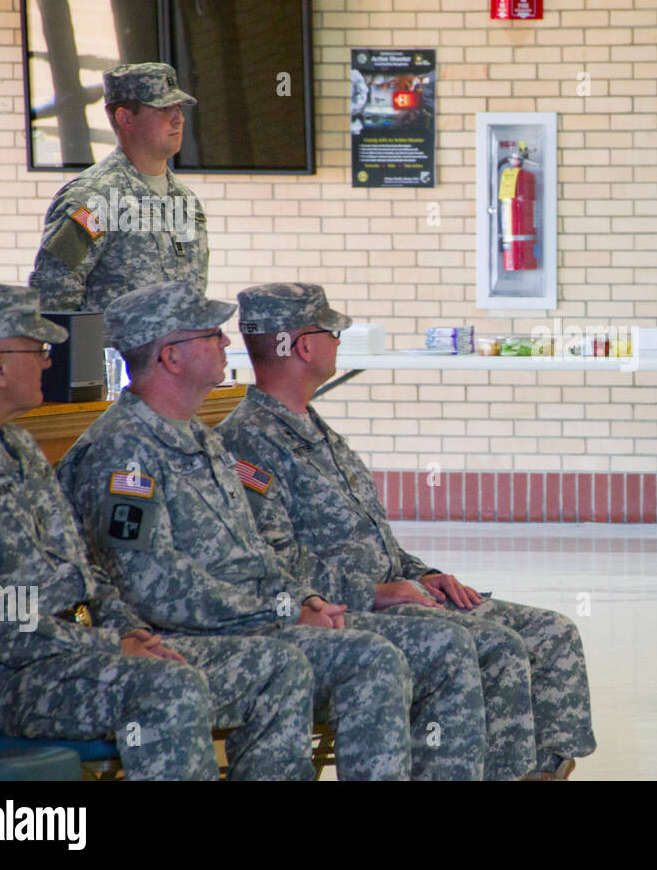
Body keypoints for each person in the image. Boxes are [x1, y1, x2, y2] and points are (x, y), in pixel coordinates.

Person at [56, 281, 487, 780]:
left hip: (247, 618)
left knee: (415, 642)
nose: (225, 343)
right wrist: (279, 610)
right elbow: (151, 583)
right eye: (211, 335)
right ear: (171, 357)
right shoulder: (122, 451)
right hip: (188, 633)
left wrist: (303, 600)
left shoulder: (199, 439)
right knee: (368, 657)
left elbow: (255, 556)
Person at [0, 280, 315, 780]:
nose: (49, 362)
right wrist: (107, 646)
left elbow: (86, 572)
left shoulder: (20, 448)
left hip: (73, 653)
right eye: (37, 349)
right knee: (167, 687)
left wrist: (127, 631)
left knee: (279, 668)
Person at [218, 283, 597, 780]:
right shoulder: (248, 442)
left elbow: (373, 539)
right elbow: (275, 566)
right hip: (339, 609)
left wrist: (426, 574)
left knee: (552, 633)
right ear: (303, 346)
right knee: (495, 645)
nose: (338, 341)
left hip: (397, 591)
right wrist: (376, 593)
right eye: (332, 331)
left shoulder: (312, 426)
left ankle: (539, 774)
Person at [29, 62, 209, 313]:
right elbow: (53, 293)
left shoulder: (185, 200)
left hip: (176, 352)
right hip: (114, 352)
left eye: (178, 108)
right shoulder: (91, 200)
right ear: (125, 118)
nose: (178, 119)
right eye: (164, 109)